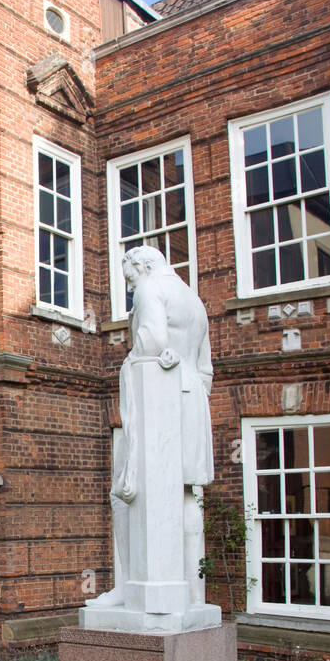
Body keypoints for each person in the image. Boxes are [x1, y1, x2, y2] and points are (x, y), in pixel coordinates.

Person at [90, 245, 214, 608]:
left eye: (129, 279)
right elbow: (205, 368)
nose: (130, 289)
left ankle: (130, 587)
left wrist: (132, 361)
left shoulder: (150, 287)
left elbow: (151, 343)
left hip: (156, 400)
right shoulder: (193, 300)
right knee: (188, 493)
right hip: (193, 400)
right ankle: (191, 593)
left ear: (141, 266)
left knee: (124, 492)